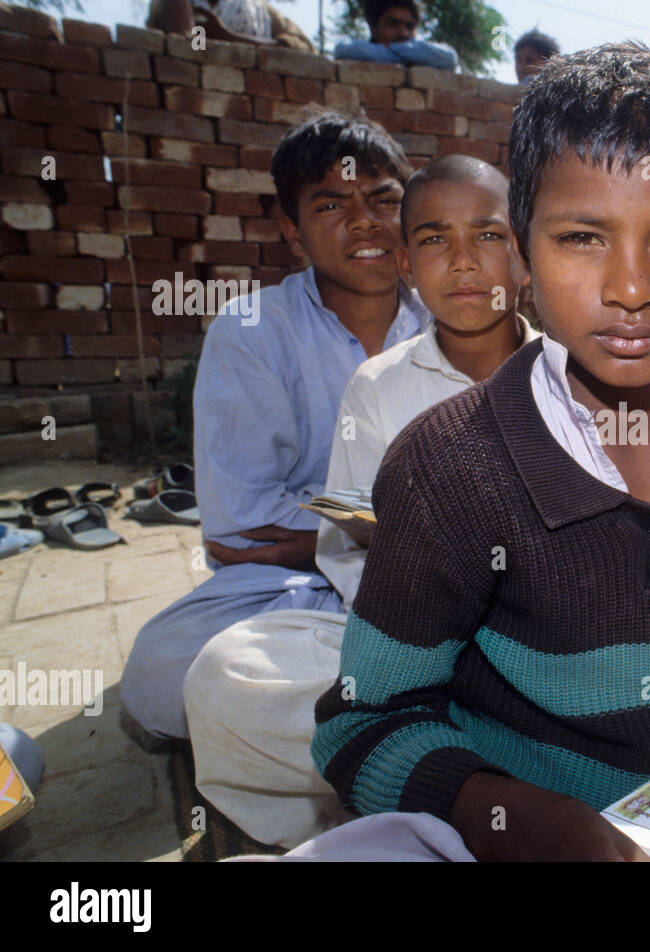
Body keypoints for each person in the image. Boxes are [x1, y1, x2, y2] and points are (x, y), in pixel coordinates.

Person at [310, 41, 650, 862]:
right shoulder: (446, 468)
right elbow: (363, 723)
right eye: (583, 238)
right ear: (520, 254)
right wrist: (511, 815)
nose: (631, 287)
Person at [182, 156, 538, 848]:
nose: (463, 261)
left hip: (552, 641)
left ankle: (428, 775)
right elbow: (348, 540)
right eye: (434, 240)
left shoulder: (570, 376)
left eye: (489, 237)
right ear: (406, 263)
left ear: (526, 256)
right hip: (417, 637)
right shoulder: (377, 387)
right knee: (226, 675)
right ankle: (471, 770)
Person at [121, 113, 430, 741]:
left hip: (432, 568)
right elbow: (240, 523)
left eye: (383, 199)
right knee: (161, 673)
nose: (365, 221)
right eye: (331, 204)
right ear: (292, 231)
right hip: (295, 582)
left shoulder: (452, 322)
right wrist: (387, 526)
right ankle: (403, 706)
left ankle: (370, 716)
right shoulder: (251, 332)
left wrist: (334, 530)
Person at [335, 0, 458, 71]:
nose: (403, 33)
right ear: (373, 28)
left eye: (409, 27)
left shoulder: (418, 52)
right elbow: (343, 50)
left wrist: (392, 50)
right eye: (393, 24)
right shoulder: (357, 51)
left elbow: (450, 58)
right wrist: (406, 56)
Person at [149, 0, 314, 50]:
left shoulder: (257, 9)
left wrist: (226, 36)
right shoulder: (180, 5)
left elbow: (303, 49)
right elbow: (186, 44)